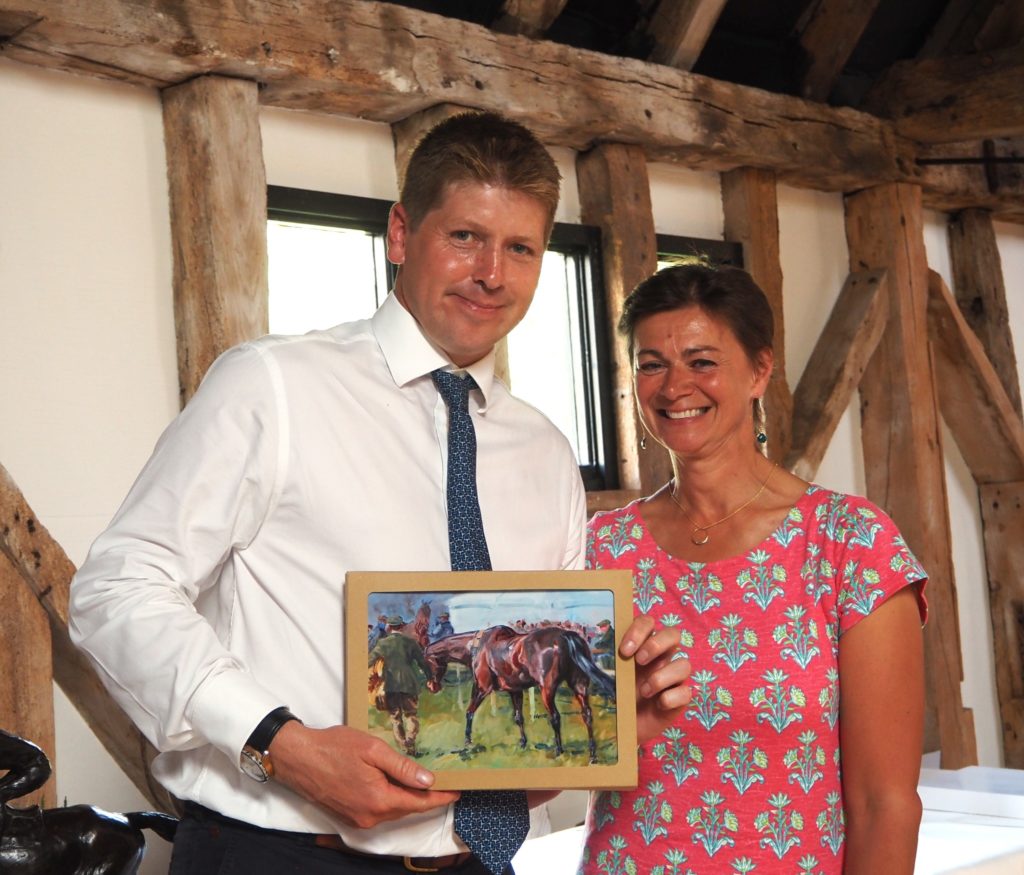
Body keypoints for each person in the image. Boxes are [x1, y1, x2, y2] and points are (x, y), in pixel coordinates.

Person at [68, 110, 691, 875]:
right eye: (465, 236)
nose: (492, 272)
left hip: (480, 862)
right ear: (402, 234)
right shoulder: (272, 385)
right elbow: (115, 589)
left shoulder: (546, 452)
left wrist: (615, 721)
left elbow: (516, 746)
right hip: (283, 857)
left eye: (520, 247)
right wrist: (279, 743)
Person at [580, 263, 927, 875]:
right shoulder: (601, 549)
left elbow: (885, 806)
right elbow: (557, 750)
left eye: (702, 361)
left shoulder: (849, 544)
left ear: (759, 371)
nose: (673, 386)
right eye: (651, 363)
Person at [369, 616, 429, 757]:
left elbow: (369, 660)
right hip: (409, 684)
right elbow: (422, 662)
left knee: (395, 719)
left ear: (389, 627)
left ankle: (404, 747)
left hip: (390, 685)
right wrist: (431, 677)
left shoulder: (382, 643)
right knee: (411, 715)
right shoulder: (411, 643)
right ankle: (410, 741)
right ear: (402, 626)